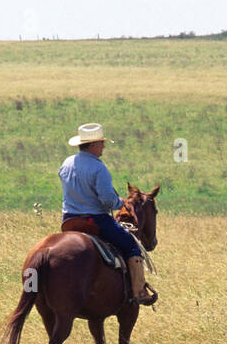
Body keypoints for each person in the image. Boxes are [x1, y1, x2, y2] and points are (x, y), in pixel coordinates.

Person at [59, 124, 157, 305]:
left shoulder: (66, 163)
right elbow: (106, 200)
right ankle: (139, 291)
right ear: (93, 144)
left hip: (69, 220)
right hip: (95, 220)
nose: (103, 147)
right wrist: (121, 202)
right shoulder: (98, 168)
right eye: (101, 143)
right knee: (131, 244)